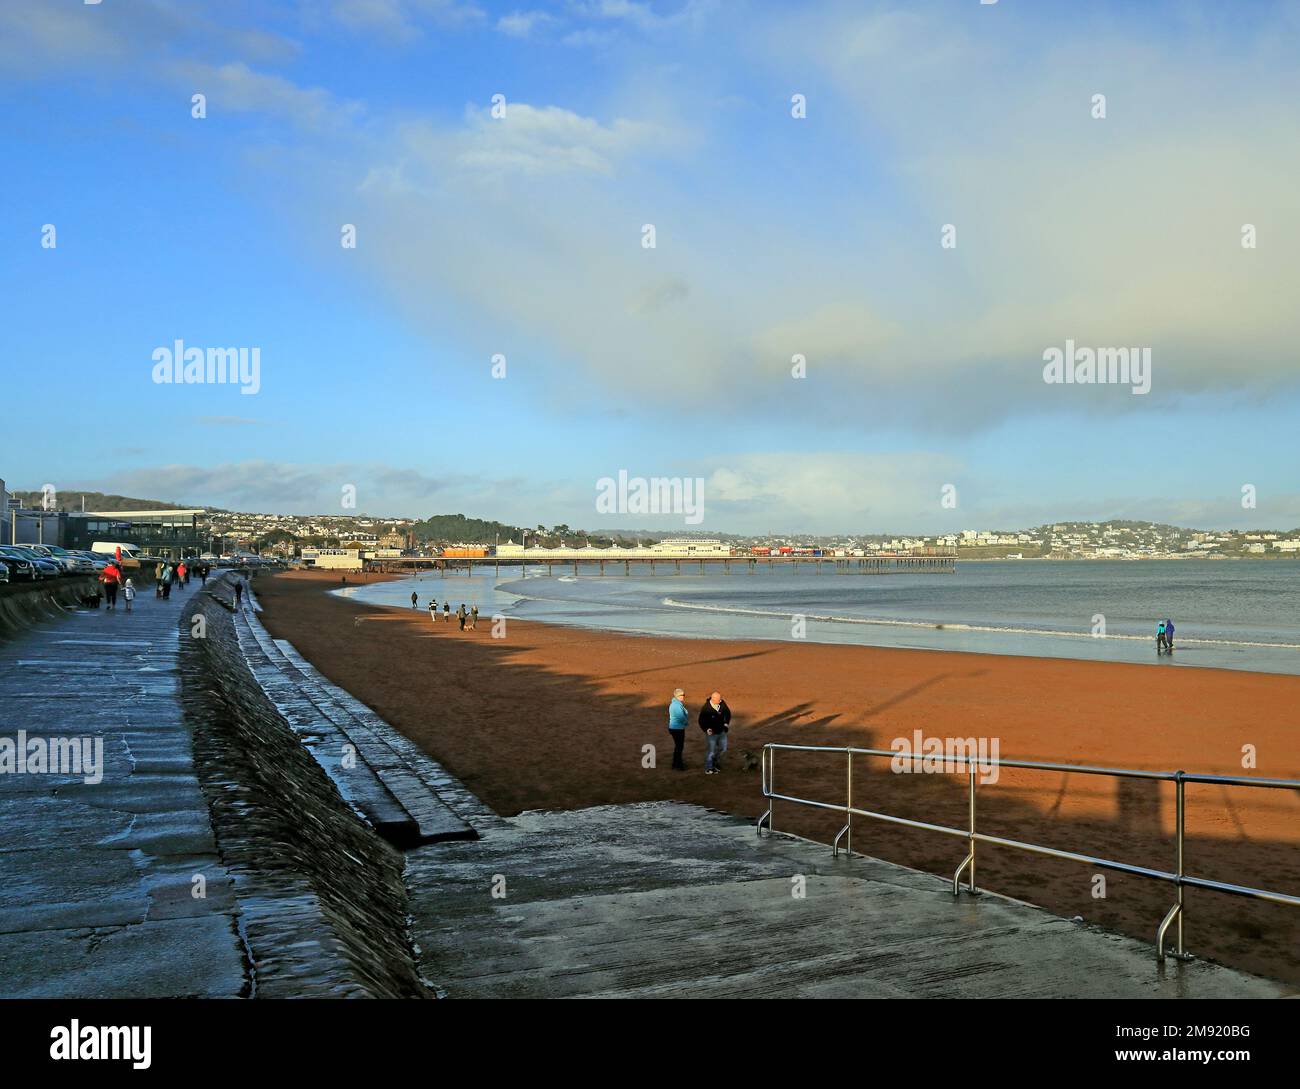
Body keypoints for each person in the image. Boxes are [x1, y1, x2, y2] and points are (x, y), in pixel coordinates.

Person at [698, 690, 732, 774]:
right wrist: (706, 729)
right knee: (711, 751)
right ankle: (709, 767)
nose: (720, 701)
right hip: (711, 734)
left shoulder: (722, 703)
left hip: (721, 732)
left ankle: (715, 763)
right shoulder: (706, 708)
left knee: (723, 749)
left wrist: (726, 724)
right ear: (713, 699)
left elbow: (728, 713)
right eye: (718, 700)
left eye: (720, 699)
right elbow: (701, 720)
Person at [667, 688, 689, 771]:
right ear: (677, 696)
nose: (683, 696)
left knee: (678, 746)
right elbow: (681, 717)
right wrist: (686, 722)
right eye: (681, 695)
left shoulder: (676, 704)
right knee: (679, 747)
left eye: (683, 695)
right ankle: (678, 765)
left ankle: (675, 763)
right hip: (678, 729)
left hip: (675, 728)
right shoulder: (676, 705)